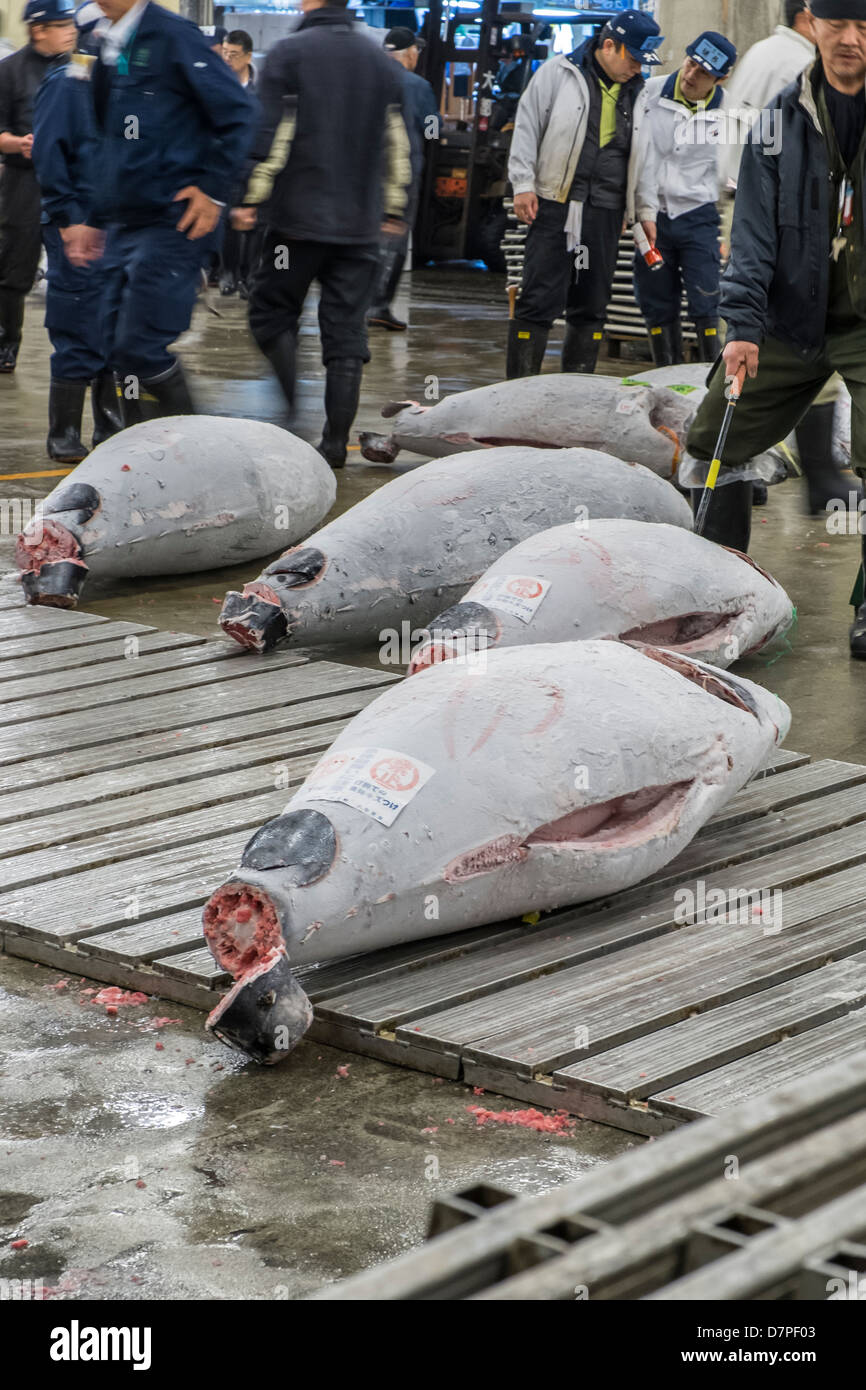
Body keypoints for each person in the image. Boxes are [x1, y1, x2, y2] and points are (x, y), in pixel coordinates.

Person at [685, 0, 866, 657]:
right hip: (794, 314)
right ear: (811, 22)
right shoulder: (779, 121)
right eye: (838, 23)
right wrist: (743, 325)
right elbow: (755, 232)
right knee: (710, 438)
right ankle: (716, 594)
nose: (850, 40)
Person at [233, 0, 411, 469]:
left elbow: (270, 134)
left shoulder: (288, 54)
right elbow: (399, 141)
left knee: (271, 313)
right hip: (359, 230)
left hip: (296, 226)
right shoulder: (379, 61)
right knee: (347, 332)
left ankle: (292, 411)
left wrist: (249, 197)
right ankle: (335, 443)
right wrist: (393, 206)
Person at [88, 0, 255, 424]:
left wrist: (213, 192)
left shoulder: (174, 37)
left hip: (172, 221)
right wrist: (92, 216)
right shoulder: (110, 42)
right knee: (110, 346)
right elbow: (106, 137)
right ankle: (137, 454)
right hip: (122, 221)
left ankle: (192, 453)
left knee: (139, 346)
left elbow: (240, 114)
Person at [505, 6, 662, 378]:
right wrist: (523, 185)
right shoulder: (559, 74)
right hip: (554, 206)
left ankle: (575, 393)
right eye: (635, 59)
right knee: (539, 299)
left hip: (605, 213)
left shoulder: (640, 93)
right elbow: (527, 127)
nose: (639, 67)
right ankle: (517, 392)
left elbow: (647, 157)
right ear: (610, 46)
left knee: (591, 303)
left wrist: (646, 212)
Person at [31, 0, 121, 459]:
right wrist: (69, 219)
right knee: (77, 321)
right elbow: (48, 154)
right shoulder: (69, 83)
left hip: (120, 228)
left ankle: (111, 426)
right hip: (77, 225)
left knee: (117, 327)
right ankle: (64, 432)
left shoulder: (128, 85)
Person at [634, 31, 736, 367]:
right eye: (690, 64)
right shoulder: (647, 93)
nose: (690, 75)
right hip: (653, 215)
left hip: (699, 216)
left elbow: (738, 172)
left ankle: (708, 381)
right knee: (656, 299)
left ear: (721, 78)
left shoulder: (731, 113)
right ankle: (666, 373)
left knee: (706, 298)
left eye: (703, 73)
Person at [0, 0, 76, 374]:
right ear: (37, 29)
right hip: (24, 184)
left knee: (76, 274)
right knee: (14, 273)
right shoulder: (9, 71)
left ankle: (80, 355)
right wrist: (19, 143)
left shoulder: (83, 69)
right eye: (61, 25)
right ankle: (5, 345)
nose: (71, 31)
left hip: (73, 185)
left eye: (71, 24)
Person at [368, 26, 437, 332]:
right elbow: (433, 131)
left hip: (366, 172)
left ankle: (358, 302)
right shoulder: (418, 85)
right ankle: (379, 305)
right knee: (394, 238)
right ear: (410, 53)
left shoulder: (366, 77)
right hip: (402, 172)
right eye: (416, 51)